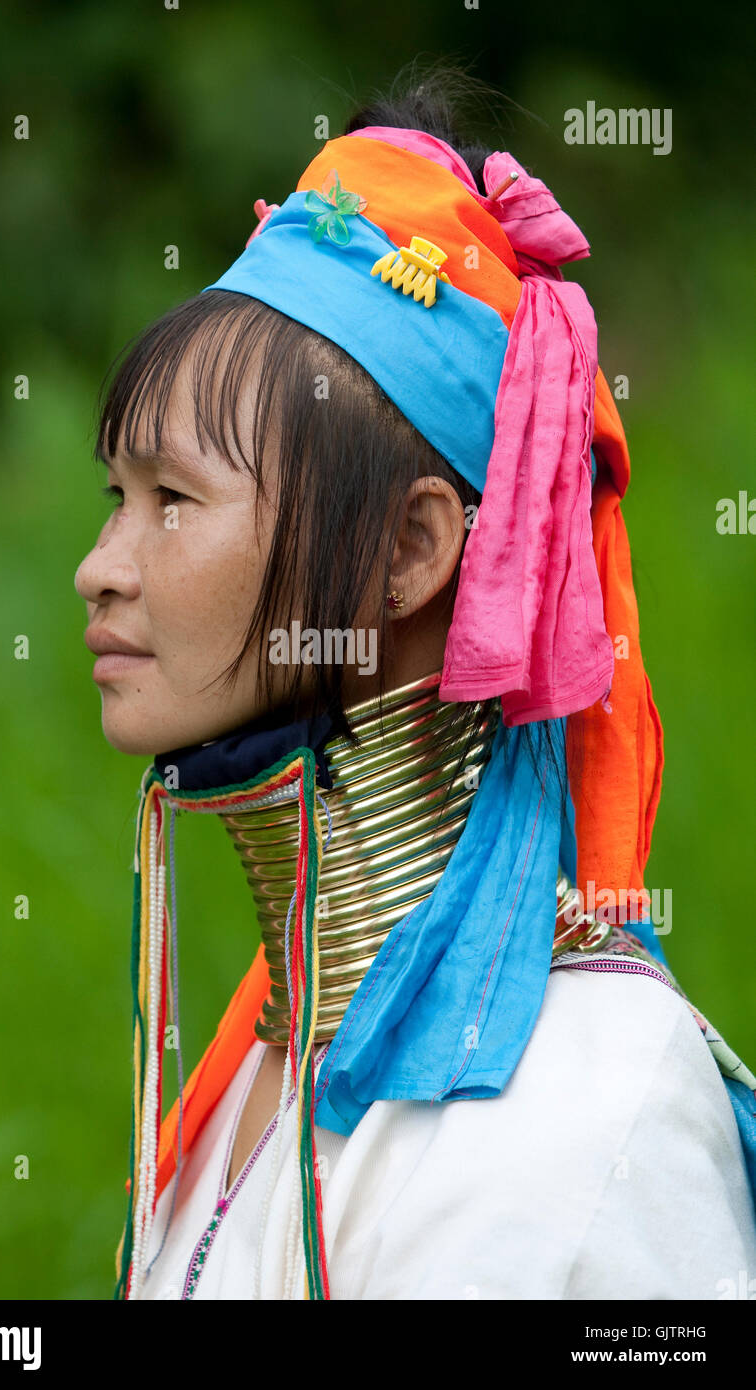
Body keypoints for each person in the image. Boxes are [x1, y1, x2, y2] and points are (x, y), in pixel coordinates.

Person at [74, 73, 756, 1300]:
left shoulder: (586, 1105)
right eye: (112, 500)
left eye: (172, 502)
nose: (99, 569)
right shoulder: (246, 1082)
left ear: (410, 550)